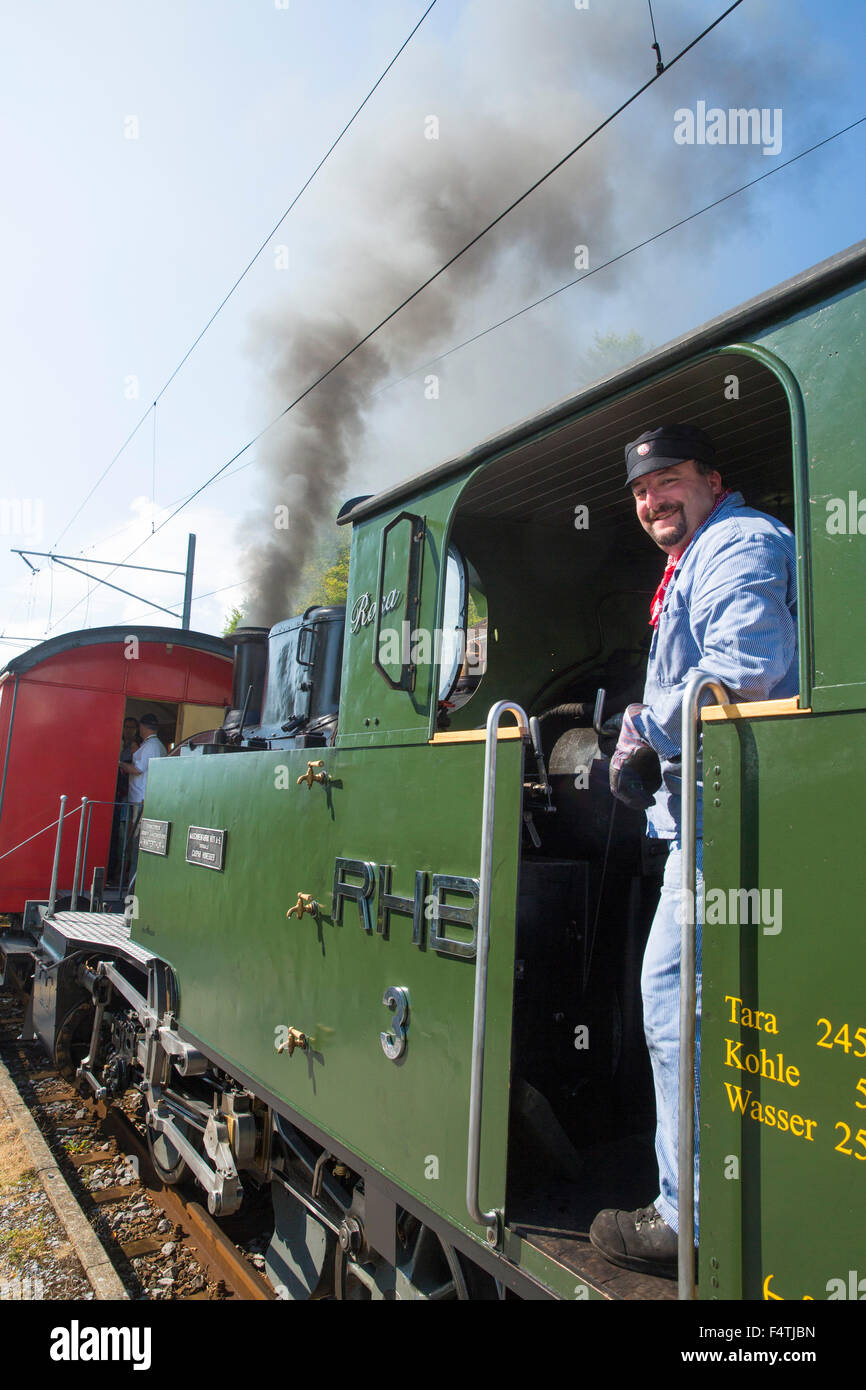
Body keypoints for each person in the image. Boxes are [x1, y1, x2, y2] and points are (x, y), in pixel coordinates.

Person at [588, 423, 798, 1277]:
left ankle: (688, 1217)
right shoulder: (698, 556)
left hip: (730, 816)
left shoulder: (737, 542)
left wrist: (644, 736)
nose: (652, 500)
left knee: (671, 999)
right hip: (700, 813)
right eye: (641, 491)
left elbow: (743, 672)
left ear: (713, 479)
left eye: (668, 480)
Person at [119, 714, 167, 882]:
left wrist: (120, 763)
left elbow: (138, 770)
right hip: (140, 798)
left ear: (143, 727)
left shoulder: (152, 746)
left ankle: (133, 880)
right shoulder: (153, 745)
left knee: (138, 841)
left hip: (142, 799)